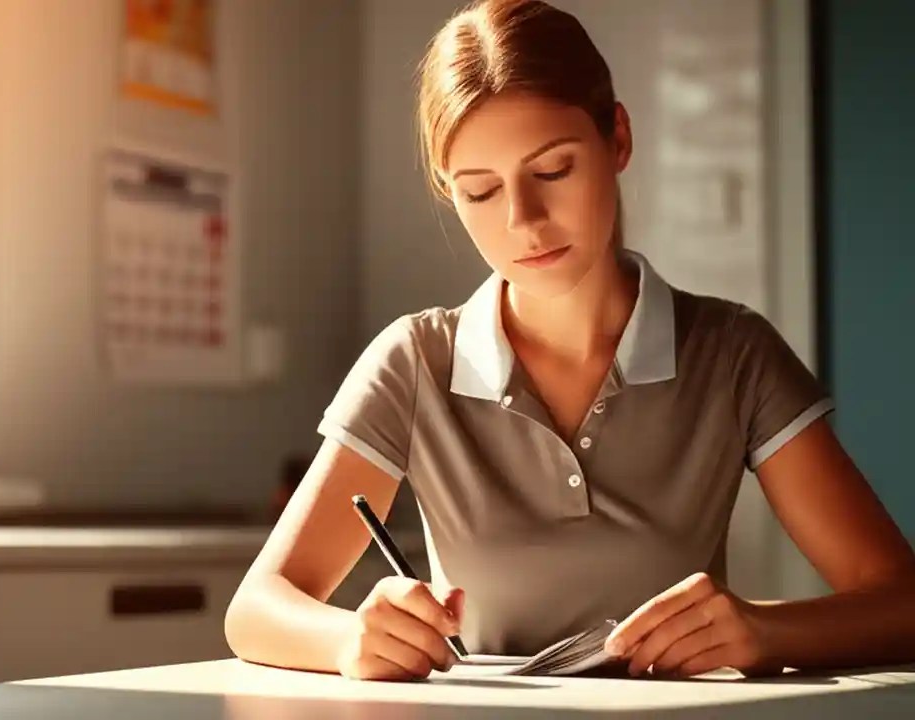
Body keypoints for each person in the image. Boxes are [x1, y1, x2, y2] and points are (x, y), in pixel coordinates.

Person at [224, 0, 915, 681]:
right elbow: (256, 609)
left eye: (552, 171)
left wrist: (764, 631)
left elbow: (902, 603)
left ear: (617, 139)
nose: (523, 221)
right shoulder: (414, 362)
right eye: (480, 191)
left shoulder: (734, 353)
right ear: (447, 190)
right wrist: (351, 638)